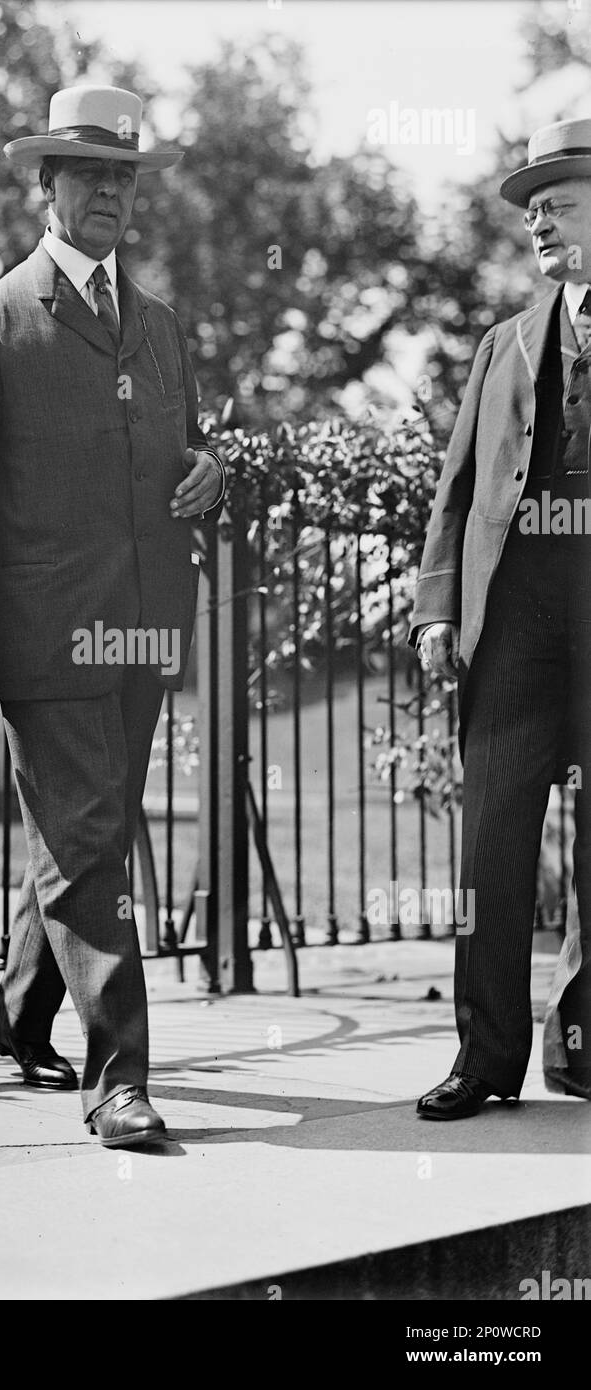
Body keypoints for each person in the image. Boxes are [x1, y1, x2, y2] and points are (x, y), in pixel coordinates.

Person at [0, 86, 224, 1148]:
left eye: (123, 177)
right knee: (93, 844)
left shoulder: (161, 328)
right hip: (46, 636)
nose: (108, 192)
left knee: (81, 839)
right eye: (87, 172)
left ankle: (17, 1013)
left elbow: (180, 456)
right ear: (43, 185)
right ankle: (119, 1078)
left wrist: (209, 477)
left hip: (145, 630)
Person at [409, 118, 591, 1120]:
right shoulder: (503, 346)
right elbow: (455, 490)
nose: (538, 220)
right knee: (493, 844)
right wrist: (438, 606)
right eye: (532, 208)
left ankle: (585, 1048)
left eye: (558, 200)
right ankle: (485, 1061)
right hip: (515, 623)